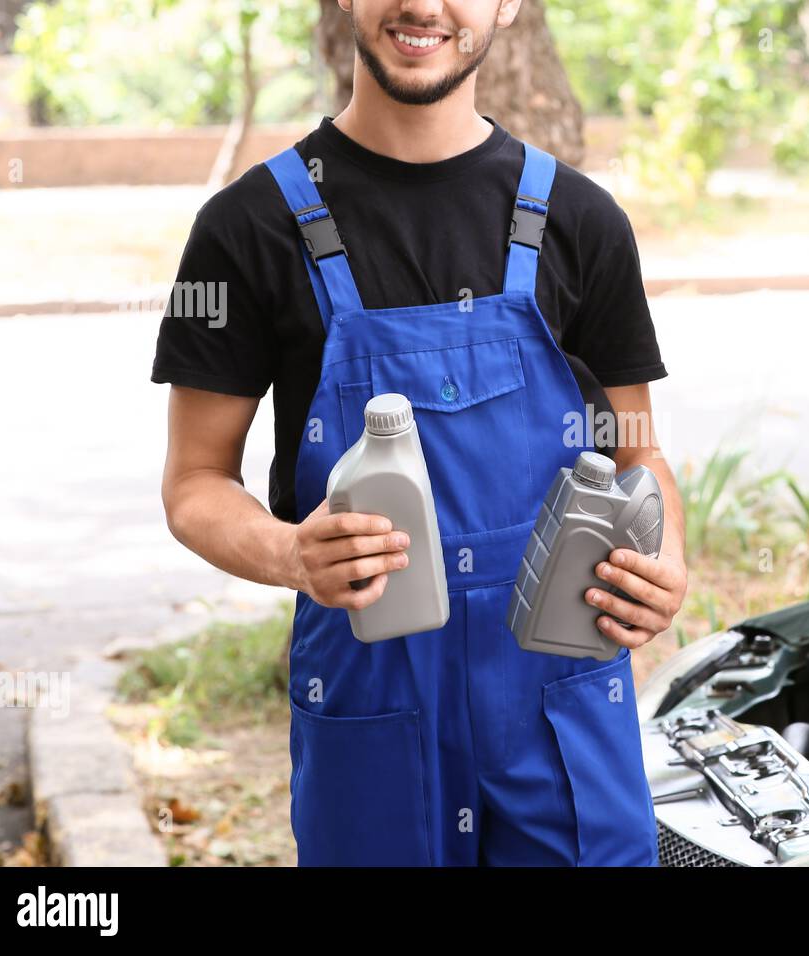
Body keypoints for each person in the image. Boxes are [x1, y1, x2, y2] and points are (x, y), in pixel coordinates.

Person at [151, 0, 687, 866]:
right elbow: (193, 484)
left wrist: (667, 565)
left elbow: (639, 453)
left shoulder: (583, 221)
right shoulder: (244, 229)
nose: (422, 5)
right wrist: (293, 555)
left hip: (561, 691)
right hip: (372, 694)